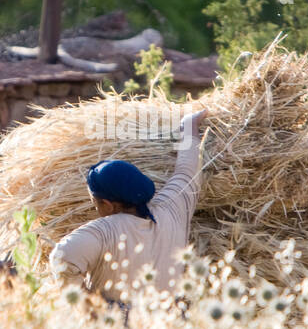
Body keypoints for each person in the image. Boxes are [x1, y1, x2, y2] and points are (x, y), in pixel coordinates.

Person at [49, 107, 207, 302]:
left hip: (121, 328)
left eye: (95, 201)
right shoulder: (173, 209)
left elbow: (61, 256)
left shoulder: (103, 232)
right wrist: (188, 126)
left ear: (108, 205)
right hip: (171, 326)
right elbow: (187, 170)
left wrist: (88, 305)